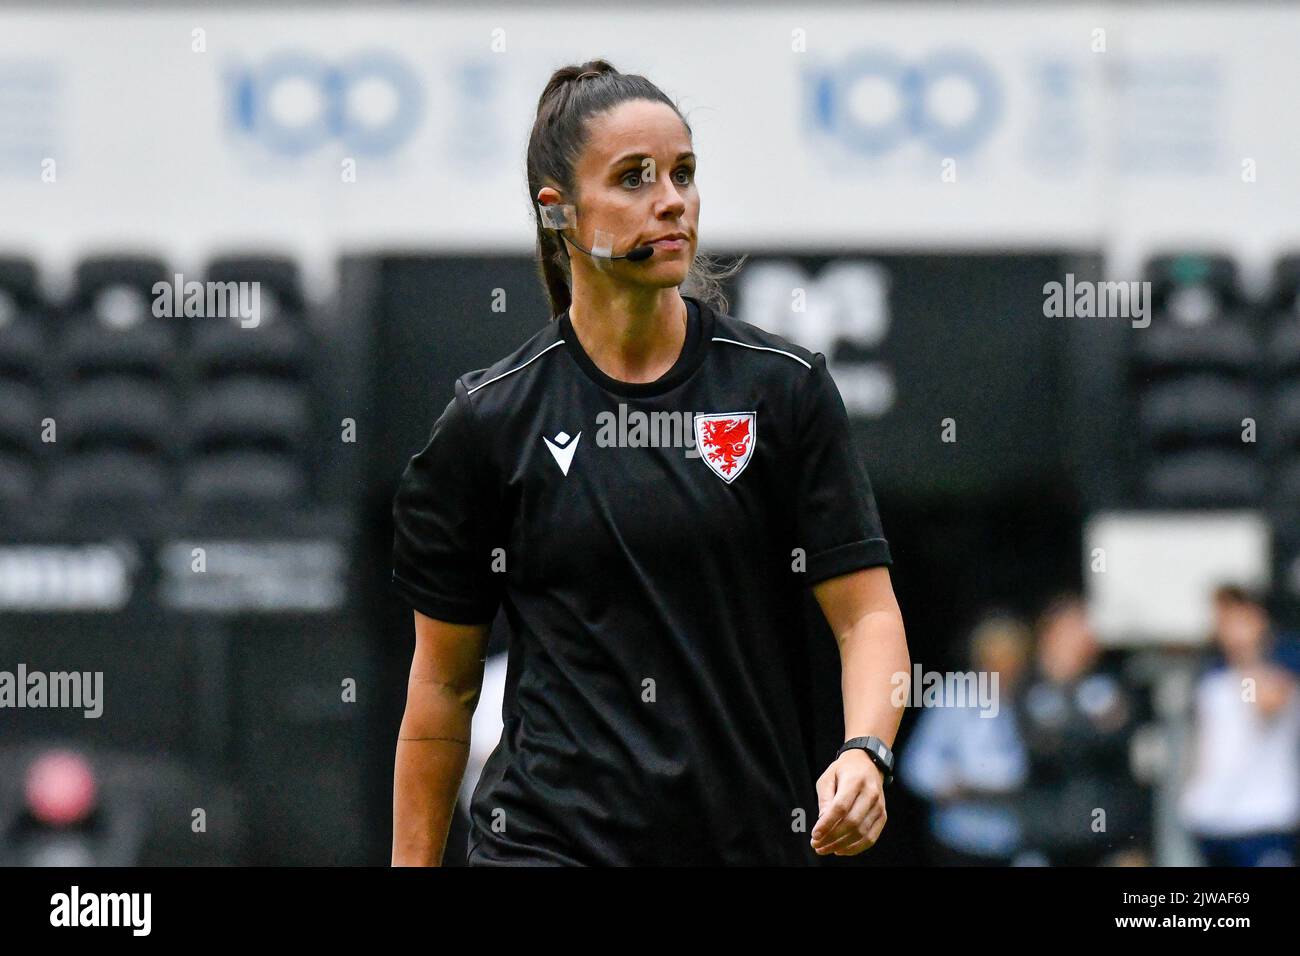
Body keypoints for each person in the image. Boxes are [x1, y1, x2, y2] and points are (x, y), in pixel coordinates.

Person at [389, 59, 908, 866]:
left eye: (684, 173)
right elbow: (443, 687)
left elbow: (868, 616)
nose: (672, 198)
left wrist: (865, 750)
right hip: (545, 846)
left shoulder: (784, 391)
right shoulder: (488, 421)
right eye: (634, 178)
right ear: (558, 213)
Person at [1015, 594, 1145, 866]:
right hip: (1050, 833)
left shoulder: (1111, 680)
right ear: (1050, 633)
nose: (1084, 636)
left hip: (1110, 831)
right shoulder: (1027, 685)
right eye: (1073, 628)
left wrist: (1066, 729)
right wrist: (1091, 728)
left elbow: (1122, 735)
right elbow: (1038, 745)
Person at [1178, 585, 1300, 866]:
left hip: (1264, 819)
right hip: (1211, 816)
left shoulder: (1284, 661)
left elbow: (1265, 703)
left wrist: (1248, 651)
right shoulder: (1211, 673)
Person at [901, 613, 1031, 866]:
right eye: (994, 662)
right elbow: (917, 762)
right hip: (959, 837)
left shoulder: (1029, 697)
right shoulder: (954, 695)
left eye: (1010, 663)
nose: (1002, 672)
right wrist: (946, 783)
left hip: (1014, 837)